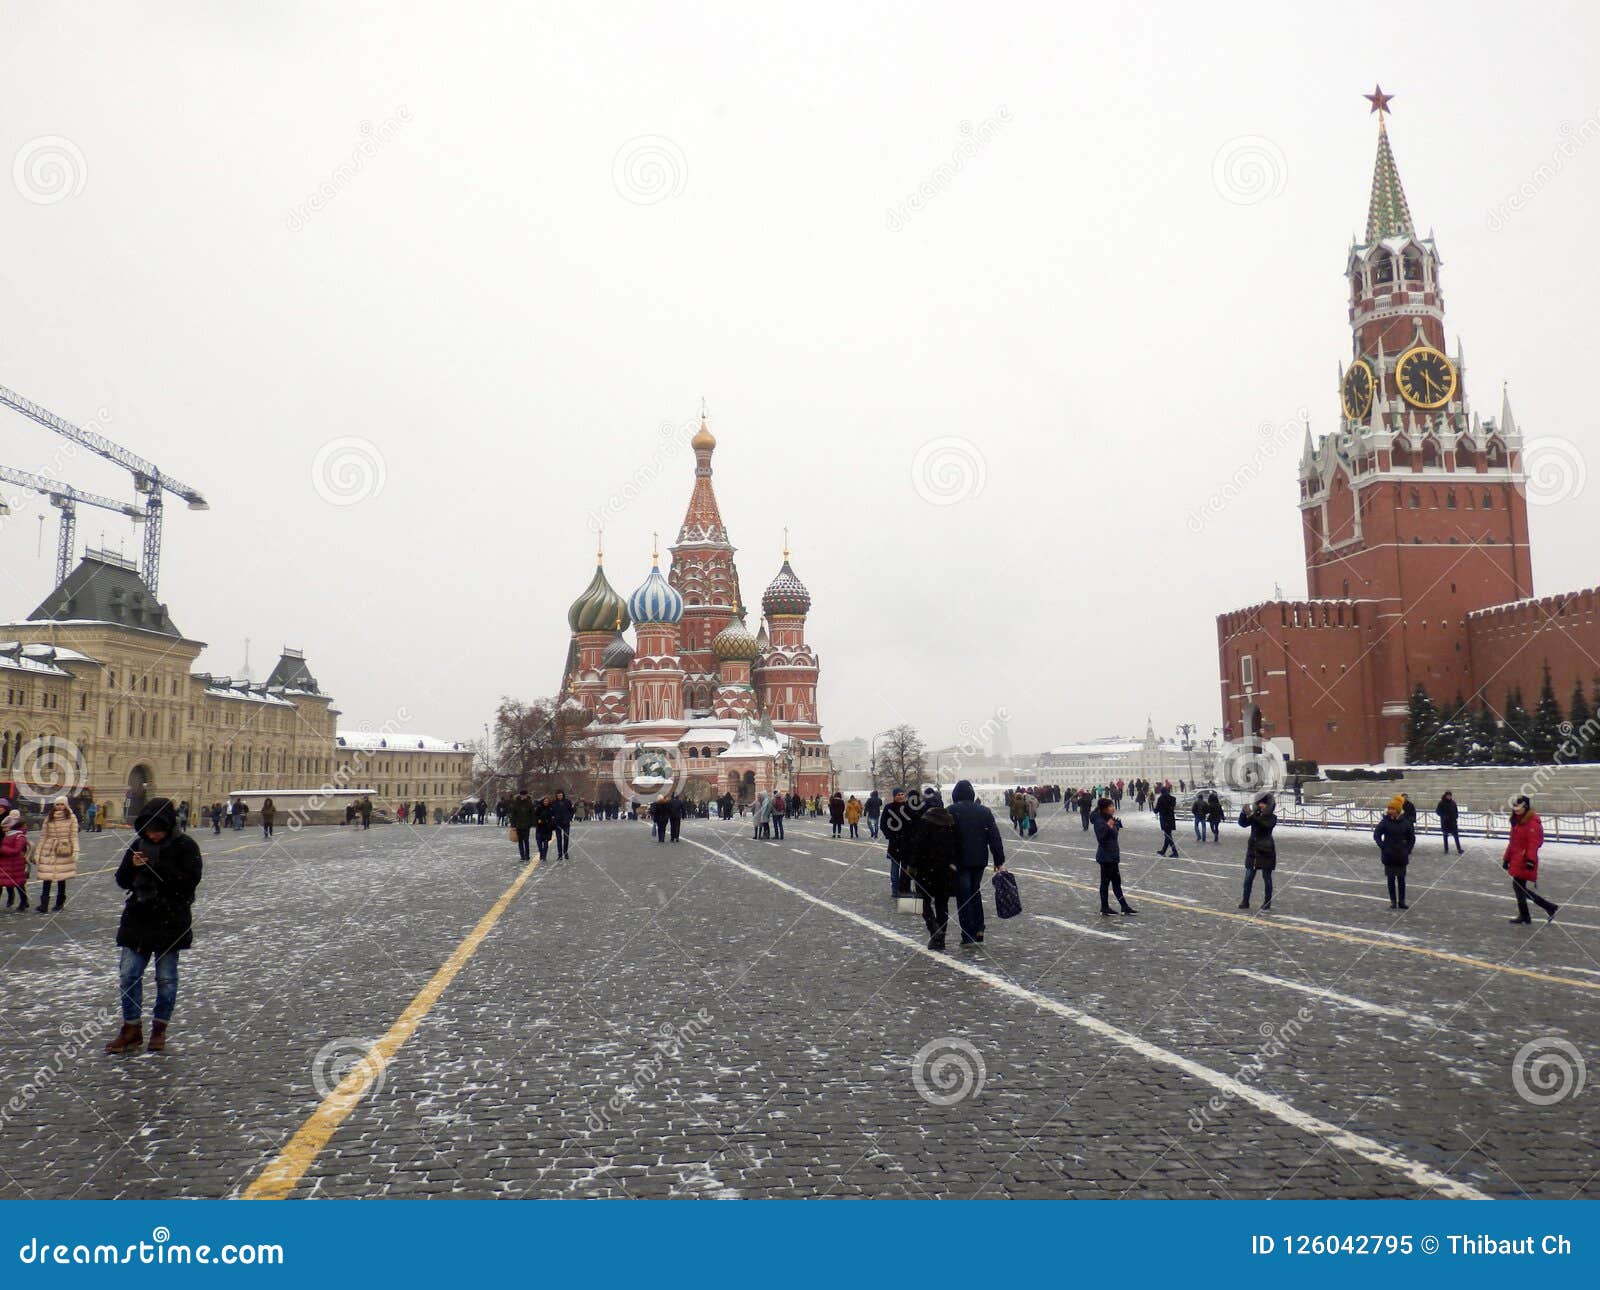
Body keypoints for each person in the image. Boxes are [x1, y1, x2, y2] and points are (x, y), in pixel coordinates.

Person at [105, 798, 203, 1054]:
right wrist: (131, 866)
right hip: (138, 918)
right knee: (128, 975)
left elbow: (189, 881)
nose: (153, 834)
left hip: (171, 920)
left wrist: (156, 865)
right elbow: (122, 880)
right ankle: (131, 1028)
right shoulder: (138, 845)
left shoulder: (186, 846)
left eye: (158, 829)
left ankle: (159, 1029)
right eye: (149, 830)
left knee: (166, 978)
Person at [949, 779, 1005, 945]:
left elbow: (946, 839)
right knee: (975, 893)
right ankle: (979, 928)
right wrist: (999, 860)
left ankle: (968, 933)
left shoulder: (951, 811)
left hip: (960, 861)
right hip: (980, 860)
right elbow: (994, 837)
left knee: (964, 896)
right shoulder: (984, 811)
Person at [907, 791, 960, 950]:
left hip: (925, 869)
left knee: (923, 902)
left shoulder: (924, 821)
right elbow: (956, 847)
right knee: (942, 905)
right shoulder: (950, 821)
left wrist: (912, 866)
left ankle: (933, 929)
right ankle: (941, 937)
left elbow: (917, 845)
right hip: (945, 870)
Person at [1504, 795, 1558, 924]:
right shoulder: (1517, 822)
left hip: (1525, 860)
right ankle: (1544, 909)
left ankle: (1534, 912)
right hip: (1517, 859)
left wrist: (1530, 860)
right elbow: (1512, 843)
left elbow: (1533, 844)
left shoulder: (1531, 823)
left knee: (1518, 888)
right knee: (1519, 888)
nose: (1516, 809)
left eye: (1519, 807)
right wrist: (1507, 858)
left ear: (1525, 807)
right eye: (1515, 807)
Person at [36, 795, 80, 913]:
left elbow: (73, 836)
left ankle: (59, 903)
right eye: (57, 804)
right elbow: (43, 836)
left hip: (63, 849)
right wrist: (38, 852)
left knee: (62, 878)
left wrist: (76, 850)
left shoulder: (71, 817)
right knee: (47, 877)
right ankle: (44, 904)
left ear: (66, 805)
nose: (60, 807)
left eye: (62, 804)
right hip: (49, 849)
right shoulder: (49, 818)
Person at [1092, 798, 1136, 916]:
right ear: (1105, 809)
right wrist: (1108, 826)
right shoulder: (1100, 821)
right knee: (1105, 883)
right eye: (1111, 806)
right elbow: (1101, 838)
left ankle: (1123, 906)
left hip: (1112, 856)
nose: (1113, 808)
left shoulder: (1109, 819)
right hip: (1106, 857)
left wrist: (1115, 824)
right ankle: (1106, 907)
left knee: (1116, 882)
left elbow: (1114, 833)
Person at [1237, 794, 1277, 912]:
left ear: (1268, 805)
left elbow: (1265, 824)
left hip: (1266, 850)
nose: (1260, 805)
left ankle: (1267, 902)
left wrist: (1252, 815)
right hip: (1253, 851)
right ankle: (1245, 901)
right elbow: (1243, 824)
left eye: (1263, 803)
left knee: (1267, 877)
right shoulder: (1256, 815)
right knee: (1248, 877)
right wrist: (1244, 813)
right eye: (1259, 803)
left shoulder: (1272, 817)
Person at [1373, 794, 1414, 910]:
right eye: (1389, 808)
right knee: (1390, 879)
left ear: (1398, 810)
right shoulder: (1385, 822)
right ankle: (1393, 901)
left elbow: (1412, 838)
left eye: (1392, 809)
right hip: (1389, 856)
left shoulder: (1405, 823)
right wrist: (1383, 846)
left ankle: (1402, 901)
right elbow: (1376, 835)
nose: (1390, 810)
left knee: (1401, 880)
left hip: (1401, 855)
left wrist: (1408, 850)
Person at [881, 788, 915, 898]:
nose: (901, 796)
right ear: (894, 796)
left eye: (902, 794)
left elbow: (913, 823)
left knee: (906, 869)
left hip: (907, 843)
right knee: (895, 869)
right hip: (895, 843)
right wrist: (890, 835)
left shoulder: (909, 807)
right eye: (898, 794)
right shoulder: (888, 808)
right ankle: (895, 890)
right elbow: (883, 825)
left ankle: (904, 889)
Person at [1, 810, 29, 910]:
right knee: (5, 882)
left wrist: (2, 849)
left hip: (15, 864)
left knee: (19, 884)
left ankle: (24, 901)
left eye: (6, 827)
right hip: (6, 863)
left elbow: (17, 850)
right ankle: (15, 900)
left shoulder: (19, 836)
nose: (4, 829)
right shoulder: (7, 836)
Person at [508, 789, 534, 863]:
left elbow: (532, 813)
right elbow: (513, 815)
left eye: (525, 795)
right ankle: (522, 856)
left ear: (526, 795)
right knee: (520, 841)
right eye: (522, 795)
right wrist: (513, 825)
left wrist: (532, 823)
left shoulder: (529, 803)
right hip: (518, 825)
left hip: (526, 825)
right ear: (520, 795)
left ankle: (527, 855)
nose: (523, 796)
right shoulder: (516, 803)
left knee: (526, 841)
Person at [1155, 784, 1180, 857]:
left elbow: (1157, 810)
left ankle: (1175, 852)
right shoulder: (1172, 799)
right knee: (1168, 836)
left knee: (1168, 836)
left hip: (1164, 819)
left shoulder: (1161, 798)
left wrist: (1154, 810)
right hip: (1171, 819)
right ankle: (1163, 851)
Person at [534, 795, 557, 861]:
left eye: (547, 801)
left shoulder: (551, 808)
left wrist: (552, 823)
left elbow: (553, 817)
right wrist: (538, 820)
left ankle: (544, 856)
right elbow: (535, 816)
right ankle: (541, 853)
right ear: (543, 801)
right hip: (540, 827)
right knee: (539, 842)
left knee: (546, 842)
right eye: (545, 801)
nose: (546, 802)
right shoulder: (539, 808)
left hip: (548, 827)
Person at [553, 790, 575, 857]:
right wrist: (553, 818)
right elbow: (551, 812)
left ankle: (565, 852)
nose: (559, 797)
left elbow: (572, 810)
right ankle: (560, 853)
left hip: (566, 823)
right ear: (556, 796)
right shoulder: (554, 803)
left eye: (561, 795)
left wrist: (569, 817)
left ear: (563, 795)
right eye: (558, 795)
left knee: (566, 838)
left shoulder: (567, 802)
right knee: (559, 839)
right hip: (557, 823)